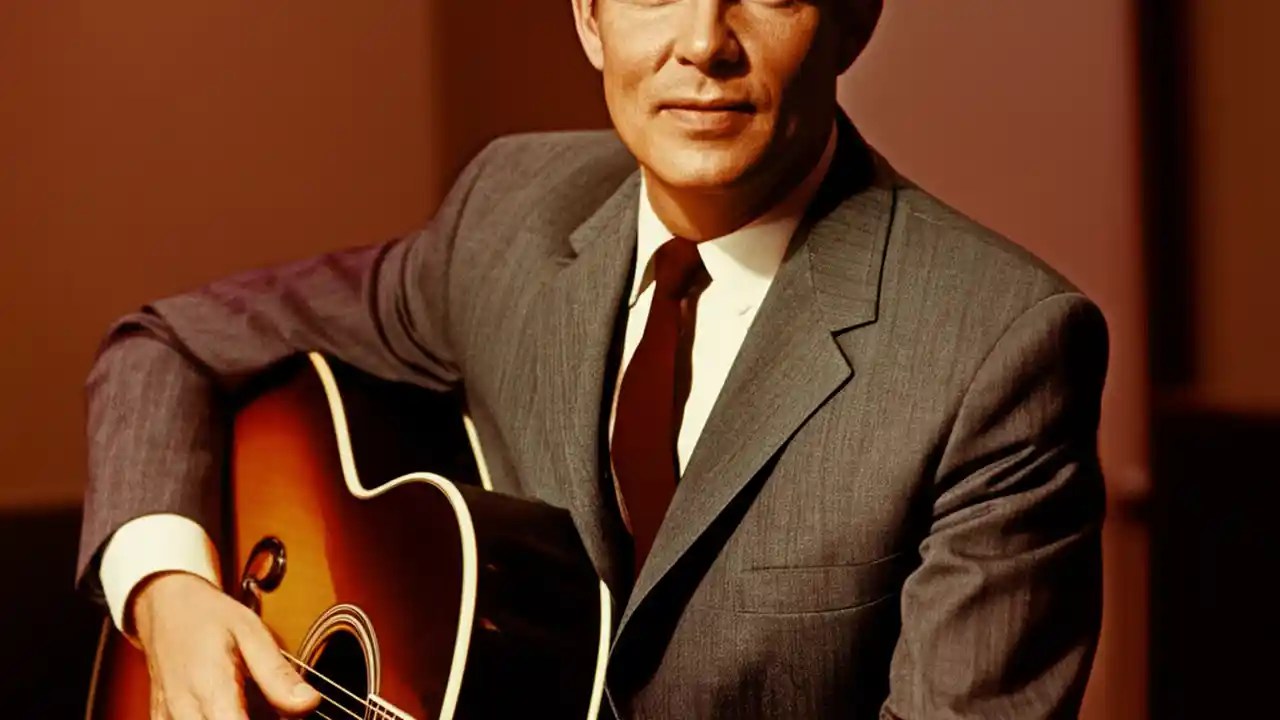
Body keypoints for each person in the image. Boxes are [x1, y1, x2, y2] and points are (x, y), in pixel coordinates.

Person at [77, 0, 1109, 717]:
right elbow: (166, 346)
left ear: (852, 17)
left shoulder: (996, 345)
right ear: (587, 17)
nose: (702, 43)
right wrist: (167, 593)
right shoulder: (509, 212)